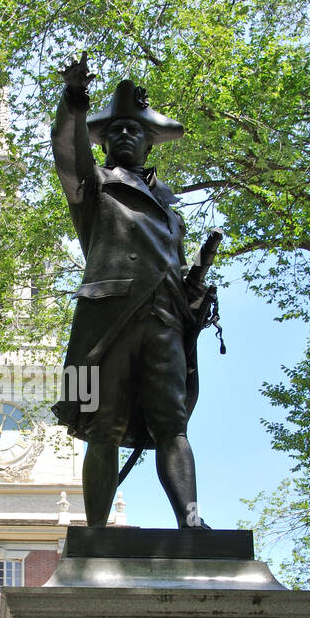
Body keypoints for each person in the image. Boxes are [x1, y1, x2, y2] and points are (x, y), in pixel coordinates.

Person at [51, 53, 220, 528]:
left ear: (149, 145)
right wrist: (75, 101)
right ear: (102, 142)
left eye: (137, 131)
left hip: (164, 321)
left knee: (173, 425)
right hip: (104, 323)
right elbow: (65, 150)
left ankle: (191, 521)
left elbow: (172, 274)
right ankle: (97, 532)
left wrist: (197, 282)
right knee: (99, 427)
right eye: (116, 130)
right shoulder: (94, 185)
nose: (126, 135)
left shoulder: (170, 209)